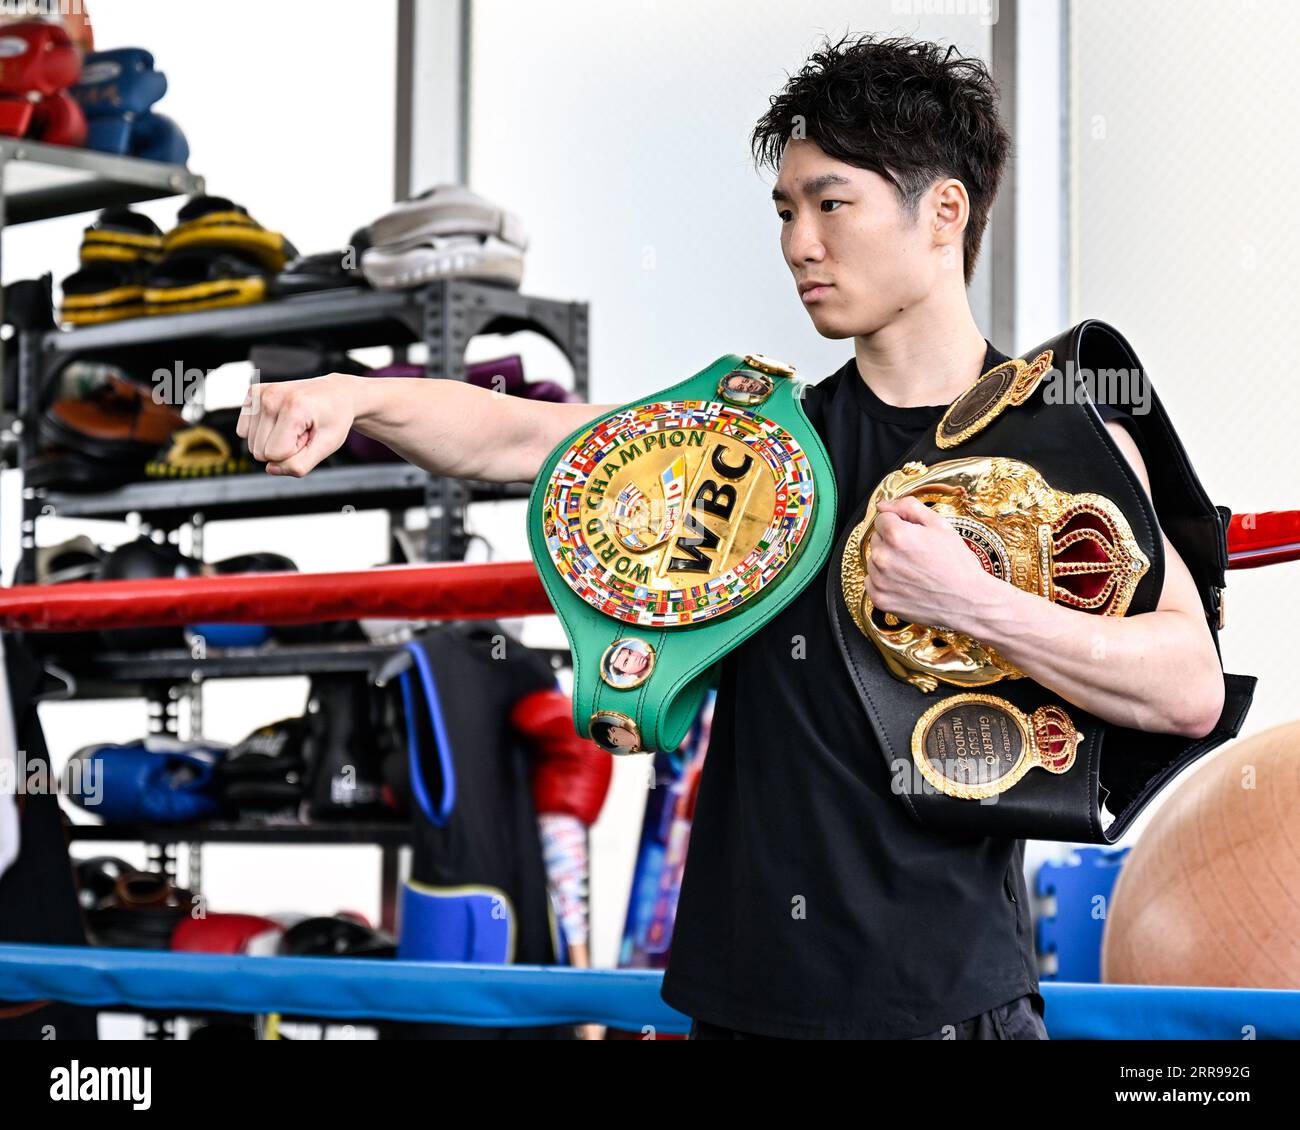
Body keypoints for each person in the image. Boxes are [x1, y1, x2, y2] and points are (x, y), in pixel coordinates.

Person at [236, 33, 1224, 1040]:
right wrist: (354, 394)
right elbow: (523, 434)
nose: (799, 242)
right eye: (787, 211)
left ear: (943, 212)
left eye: (830, 203)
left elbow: (1187, 683)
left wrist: (974, 602)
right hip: (734, 1002)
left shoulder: (1058, 428)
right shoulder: (763, 445)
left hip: (944, 1006)